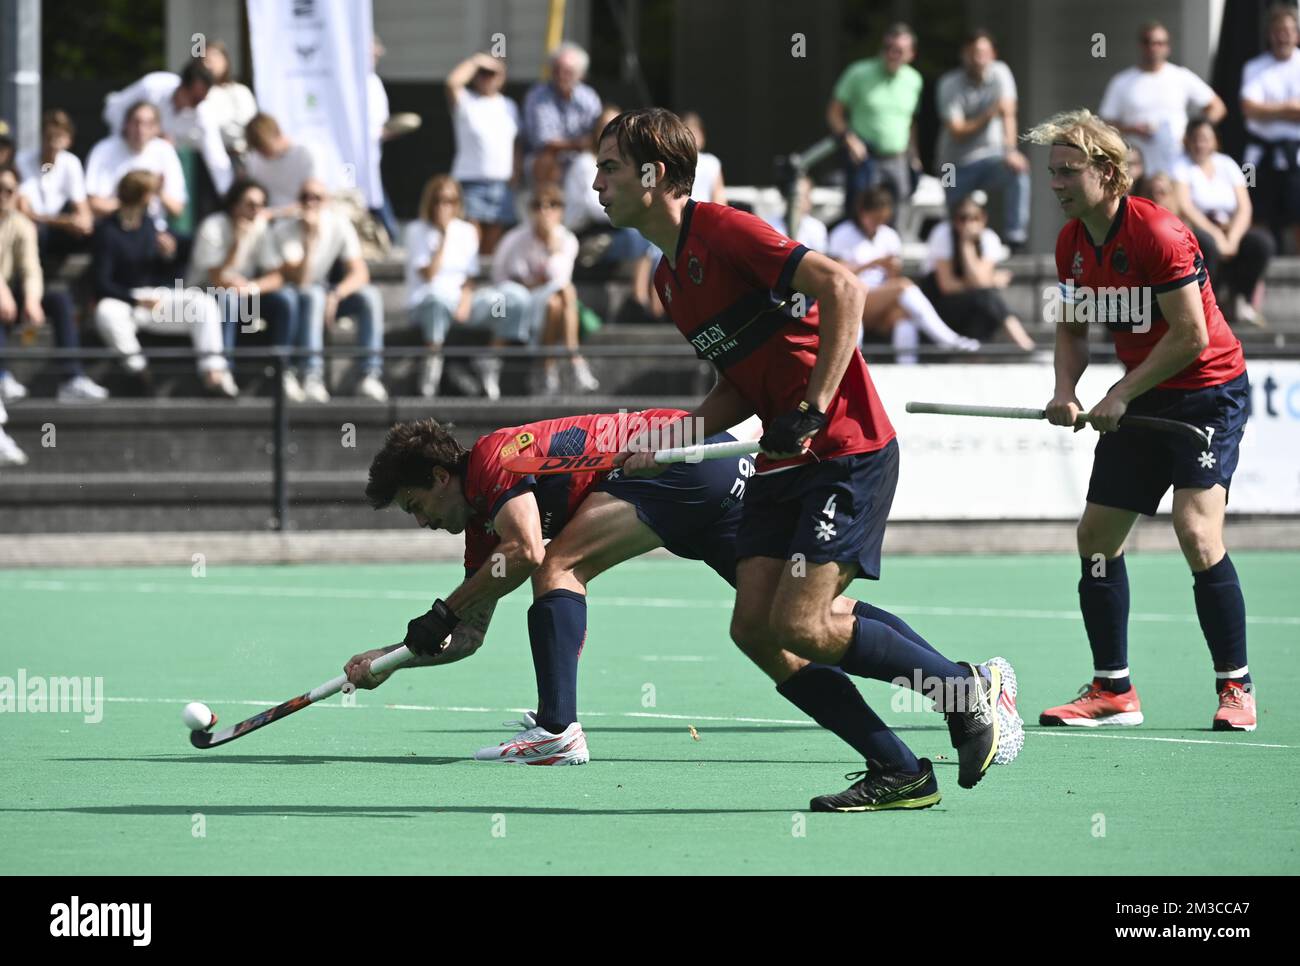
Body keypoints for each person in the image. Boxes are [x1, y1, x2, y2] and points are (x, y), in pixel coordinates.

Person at [595, 107, 1016, 809]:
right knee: (757, 630)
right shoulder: (670, 280)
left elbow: (843, 287)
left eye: (608, 166)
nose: (596, 183)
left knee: (804, 624)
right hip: (783, 463)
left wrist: (815, 406)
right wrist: (673, 444)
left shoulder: (724, 230)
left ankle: (963, 690)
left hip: (845, 447)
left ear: (652, 174)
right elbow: (740, 378)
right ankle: (899, 770)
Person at [345, 412, 1024, 787]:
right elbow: (469, 633)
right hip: (715, 471)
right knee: (789, 631)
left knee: (559, 568)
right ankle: (940, 718)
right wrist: (394, 658)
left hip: (678, 464)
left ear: (441, 475)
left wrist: (441, 609)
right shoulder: (481, 531)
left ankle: (556, 733)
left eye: (416, 504)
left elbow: (524, 558)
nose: (421, 520)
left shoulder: (493, 461)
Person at [1025, 109, 1255, 732]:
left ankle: (1235, 688)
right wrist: (1065, 389)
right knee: (1096, 539)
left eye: (1067, 171)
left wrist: (1120, 392)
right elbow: (1071, 329)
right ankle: (1113, 690)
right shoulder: (1071, 244)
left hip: (1208, 393)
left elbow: (1190, 335)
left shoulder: (1158, 232)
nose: (1057, 185)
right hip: (1146, 394)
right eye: (1052, 173)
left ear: (1107, 172)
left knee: (1196, 532)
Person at [91, 171, 234, 397]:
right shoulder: (107, 232)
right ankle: (139, 372)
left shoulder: (150, 225)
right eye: (151, 193)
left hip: (156, 298)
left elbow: (160, 270)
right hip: (125, 300)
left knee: (203, 303)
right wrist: (135, 299)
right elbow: (101, 283)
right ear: (141, 196)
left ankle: (213, 374)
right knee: (106, 313)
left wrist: (168, 254)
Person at [405, 175, 524, 400]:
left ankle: (490, 361)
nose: (443, 206)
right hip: (426, 303)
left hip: (460, 301)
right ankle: (432, 366)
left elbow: (470, 277)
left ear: (457, 203)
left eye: (450, 201)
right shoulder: (416, 230)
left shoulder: (467, 231)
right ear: (429, 202)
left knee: (513, 299)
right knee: (435, 300)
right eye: (438, 200)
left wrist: (465, 301)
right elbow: (429, 274)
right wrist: (443, 235)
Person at [827, 186, 978, 362]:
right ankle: (948, 340)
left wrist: (891, 270)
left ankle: (907, 370)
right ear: (862, 212)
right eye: (874, 218)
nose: (878, 224)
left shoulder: (889, 236)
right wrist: (873, 264)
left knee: (903, 317)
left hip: (879, 301)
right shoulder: (842, 234)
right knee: (903, 286)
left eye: (882, 219)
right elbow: (836, 275)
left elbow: (892, 281)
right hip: (851, 298)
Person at [270, 178, 387, 402]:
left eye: (317, 198)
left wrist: (337, 294)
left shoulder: (339, 224)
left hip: (324, 294)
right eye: (305, 197)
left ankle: (370, 374)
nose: (310, 203)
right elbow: (301, 280)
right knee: (313, 295)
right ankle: (311, 375)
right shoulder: (283, 230)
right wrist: (310, 240)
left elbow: (360, 273)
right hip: (293, 295)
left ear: (327, 202)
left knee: (370, 296)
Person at [0, 165, 107, 402]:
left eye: (9, 190)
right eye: (0, 189)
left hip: (8, 298)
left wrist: (31, 299)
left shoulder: (22, 225)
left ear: (17, 193)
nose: (3, 195)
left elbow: (30, 267)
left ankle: (71, 378)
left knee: (59, 300)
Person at [188, 177, 300, 395]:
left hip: (244, 295)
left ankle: (281, 369)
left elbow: (276, 277)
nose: (256, 210)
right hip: (204, 295)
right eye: (250, 204)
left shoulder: (260, 227)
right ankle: (224, 370)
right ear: (234, 204)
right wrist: (237, 243)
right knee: (228, 297)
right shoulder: (212, 226)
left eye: (261, 205)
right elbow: (217, 279)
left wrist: (251, 288)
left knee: (286, 299)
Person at [492, 183, 597, 395]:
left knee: (556, 302)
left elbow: (557, 278)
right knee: (564, 293)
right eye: (538, 205)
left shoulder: (566, 239)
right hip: (518, 304)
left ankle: (546, 370)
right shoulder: (515, 239)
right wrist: (532, 283)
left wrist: (551, 245)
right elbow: (503, 278)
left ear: (561, 210)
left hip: (548, 299)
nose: (545, 210)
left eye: (552, 205)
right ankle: (574, 360)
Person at [934, 29, 1031, 251]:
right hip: (953, 163)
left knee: (1018, 171)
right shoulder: (949, 84)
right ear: (963, 55)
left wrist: (1010, 151)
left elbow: (1008, 113)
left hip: (991, 157)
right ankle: (952, 255)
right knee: (955, 224)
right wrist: (988, 114)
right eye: (973, 53)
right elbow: (957, 132)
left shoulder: (1001, 73)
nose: (978, 58)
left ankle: (1015, 237)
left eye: (983, 53)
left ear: (993, 54)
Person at [1173, 120, 1274, 327]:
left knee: (1261, 243)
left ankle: (1240, 297)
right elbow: (1186, 207)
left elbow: (1244, 207)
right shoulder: (1180, 166)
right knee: (1207, 244)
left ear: (1214, 142)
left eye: (1205, 139)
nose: (1201, 144)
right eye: (1196, 139)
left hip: (1230, 229)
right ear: (1188, 141)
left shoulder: (1227, 164)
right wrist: (1217, 236)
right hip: (1198, 230)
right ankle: (1209, 301)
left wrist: (1233, 238)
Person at [1098, 21, 1226, 177]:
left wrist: (1195, 135)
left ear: (1167, 47)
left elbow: (1217, 107)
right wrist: (1132, 129)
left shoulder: (1180, 76)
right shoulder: (1122, 81)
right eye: (1148, 42)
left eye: (1159, 43)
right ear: (1140, 45)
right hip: (1137, 168)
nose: (1153, 47)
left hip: (1176, 163)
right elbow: (1104, 124)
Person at [827, 23, 923, 221]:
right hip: (865, 158)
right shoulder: (858, 73)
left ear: (911, 54)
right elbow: (834, 113)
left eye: (899, 51)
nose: (892, 54)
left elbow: (911, 121)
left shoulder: (914, 80)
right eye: (888, 48)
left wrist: (914, 155)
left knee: (898, 215)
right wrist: (850, 140)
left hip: (898, 159)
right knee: (859, 215)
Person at [919, 192, 1036, 351]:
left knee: (985, 302)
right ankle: (1025, 345)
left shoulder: (989, 238)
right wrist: (991, 280)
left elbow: (978, 283)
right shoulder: (943, 234)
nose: (968, 224)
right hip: (938, 308)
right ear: (954, 220)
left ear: (983, 219)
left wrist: (969, 250)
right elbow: (948, 286)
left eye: (974, 218)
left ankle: (979, 356)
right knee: (986, 297)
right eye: (962, 218)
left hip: (970, 306)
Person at [102, 59, 233, 197]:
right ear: (182, 87)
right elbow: (113, 110)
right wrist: (138, 135)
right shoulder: (152, 86)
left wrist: (230, 196)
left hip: (157, 168)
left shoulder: (203, 112)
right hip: (122, 154)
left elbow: (216, 157)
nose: (197, 104)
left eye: (201, 99)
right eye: (195, 99)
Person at [447, 52, 519, 256]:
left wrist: (516, 171)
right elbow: (452, 82)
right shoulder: (466, 101)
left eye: (492, 73)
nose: (487, 77)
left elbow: (516, 143)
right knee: (470, 240)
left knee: (493, 244)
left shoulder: (509, 106)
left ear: (502, 77)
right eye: (482, 73)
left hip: (502, 183)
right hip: (471, 181)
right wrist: (477, 61)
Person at [1241, 5, 1300, 251]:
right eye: (1278, 30)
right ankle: (1260, 271)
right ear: (1270, 34)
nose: (1283, 35)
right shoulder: (1254, 67)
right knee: (1254, 205)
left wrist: (1268, 110)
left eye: (1288, 30)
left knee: (1297, 211)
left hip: (1295, 154)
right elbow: (1248, 108)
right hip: (1257, 155)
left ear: (1297, 34)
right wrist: (1289, 109)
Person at [14, 110, 94, 264]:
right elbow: (24, 212)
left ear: (68, 140)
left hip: (57, 233)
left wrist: (82, 223)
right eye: (49, 137)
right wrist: (64, 222)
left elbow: (83, 210)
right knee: (32, 231)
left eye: (59, 137)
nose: (53, 143)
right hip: (34, 230)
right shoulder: (22, 161)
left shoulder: (71, 163)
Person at [84, 101, 187, 220]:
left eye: (148, 124)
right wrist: (133, 203)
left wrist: (158, 191)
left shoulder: (165, 150)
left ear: (157, 128)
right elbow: (92, 203)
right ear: (126, 124)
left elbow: (177, 209)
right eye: (136, 122)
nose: (141, 129)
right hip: (112, 224)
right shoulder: (103, 149)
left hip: (154, 228)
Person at [521, 42, 602, 186]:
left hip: (580, 160)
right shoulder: (537, 96)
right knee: (546, 160)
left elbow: (596, 135)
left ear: (580, 74)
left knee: (587, 163)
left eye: (568, 71)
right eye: (557, 70)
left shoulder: (589, 97)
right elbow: (544, 142)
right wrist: (579, 143)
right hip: (546, 160)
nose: (561, 76)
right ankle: (547, 204)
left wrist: (579, 144)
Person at [243, 113, 319, 213]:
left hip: (300, 218)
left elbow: (313, 200)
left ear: (277, 135)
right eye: (258, 150)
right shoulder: (253, 160)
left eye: (265, 148)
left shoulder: (303, 154)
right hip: (267, 222)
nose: (262, 154)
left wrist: (275, 213)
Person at [200, 40, 258, 155]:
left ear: (225, 61)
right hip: (204, 156)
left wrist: (215, 127)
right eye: (206, 60)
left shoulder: (240, 91)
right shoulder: (198, 95)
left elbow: (247, 123)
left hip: (236, 154)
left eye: (215, 58)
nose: (211, 64)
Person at [765, 175, 829, 253]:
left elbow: (819, 258)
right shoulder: (770, 226)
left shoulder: (816, 227)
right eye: (800, 196)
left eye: (807, 195)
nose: (806, 200)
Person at [681, 112, 727, 205]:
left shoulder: (712, 162)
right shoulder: (712, 162)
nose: (693, 137)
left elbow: (719, 197)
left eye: (695, 132)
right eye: (690, 133)